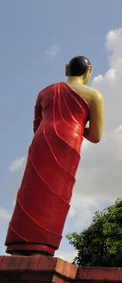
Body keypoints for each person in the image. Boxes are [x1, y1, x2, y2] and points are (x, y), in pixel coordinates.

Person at [5, 56, 104, 256]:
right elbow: (95, 135)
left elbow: (37, 126)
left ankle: (19, 243)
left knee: (31, 189)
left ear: (67, 69)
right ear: (89, 71)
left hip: (42, 139)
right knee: (56, 193)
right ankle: (42, 246)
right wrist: (75, 125)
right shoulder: (94, 96)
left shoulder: (45, 92)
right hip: (69, 141)